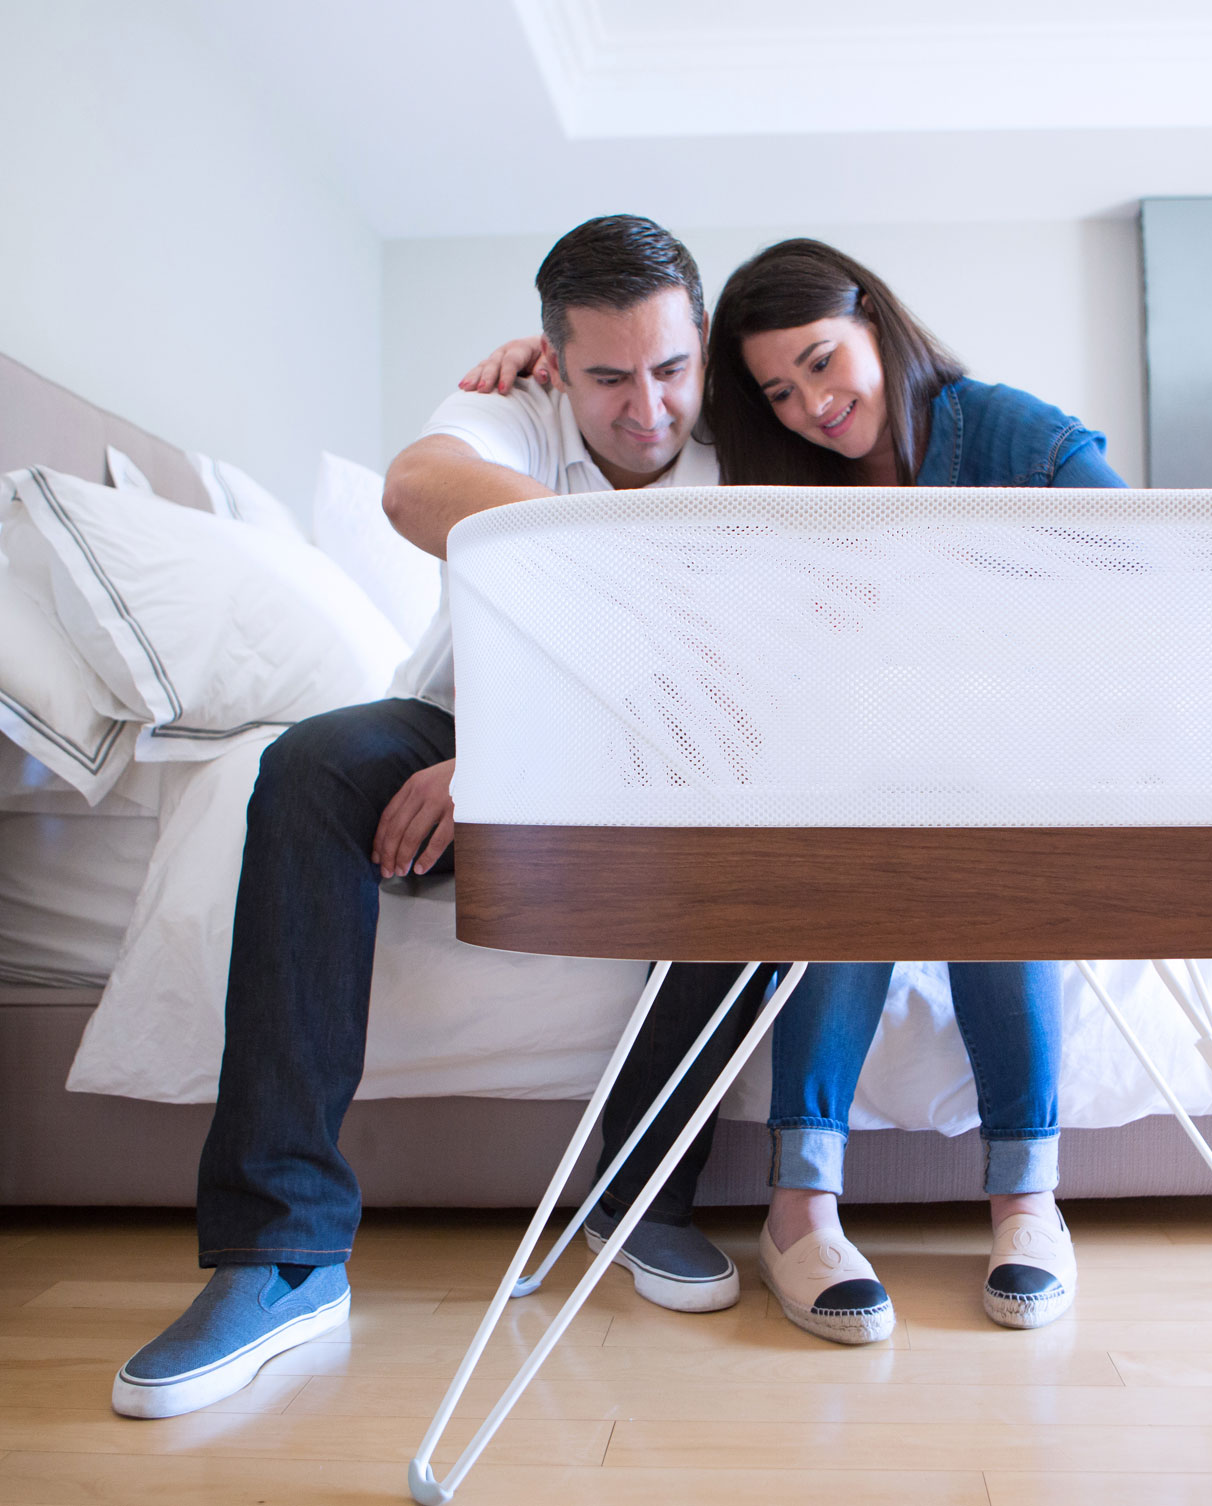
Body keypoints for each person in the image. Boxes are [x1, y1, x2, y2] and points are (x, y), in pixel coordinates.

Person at [111, 216, 759, 1421]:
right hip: (447, 723)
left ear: (704, 347)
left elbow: (722, 695)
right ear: (553, 365)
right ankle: (282, 1254)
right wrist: (490, 738)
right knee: (308, 766)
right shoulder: (514, 407)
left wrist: (515, 759)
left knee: (769, 832)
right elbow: (414, 489)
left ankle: (636, 1189)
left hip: (650, 762)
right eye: (607, 377)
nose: (646, 410)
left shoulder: (746, 436)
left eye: (669, 369)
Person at [468, 238, 1126, 1345]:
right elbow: (659, 411)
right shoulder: (772, 465)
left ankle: (1024, 1201)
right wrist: (543, 355)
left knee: (986, 853)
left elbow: (1141, 566)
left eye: (824, 363)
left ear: (877, 320)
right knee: (840, 852)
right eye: (779, 388)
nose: (815, 405)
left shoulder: (998, 428)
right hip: (854, 777)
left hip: (998, 769)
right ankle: (801, 1208)